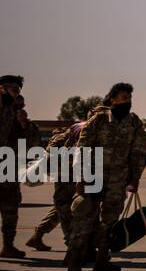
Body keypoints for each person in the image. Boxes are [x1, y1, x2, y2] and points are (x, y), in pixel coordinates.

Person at [66, 84, 146, 271]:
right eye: (124, 97)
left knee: (109, 221)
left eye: (129, 97)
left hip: (117, 179)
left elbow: (137, 152)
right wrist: (80, 178)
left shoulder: (134, 122)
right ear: (112, 99)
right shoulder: (99, 120)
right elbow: (82, 149)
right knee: (84, 218)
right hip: (93, 176)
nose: (128, 101)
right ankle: (74, 263)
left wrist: (135, 178)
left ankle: (102, 261)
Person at [26, 118, 86, 253]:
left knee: (61, 208)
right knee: (64, 208)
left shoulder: (81, 129)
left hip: (71, 176)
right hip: (67, 176)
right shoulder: (81, 130)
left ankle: (38, 235)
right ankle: (73, 248)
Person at [1, 80, 42, 258]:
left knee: (11, 208)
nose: (18, 101)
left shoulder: (20, 121)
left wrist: (25, 125)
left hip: (9, 168)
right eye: (14, 91)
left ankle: (8, 246)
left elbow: (33, 143)